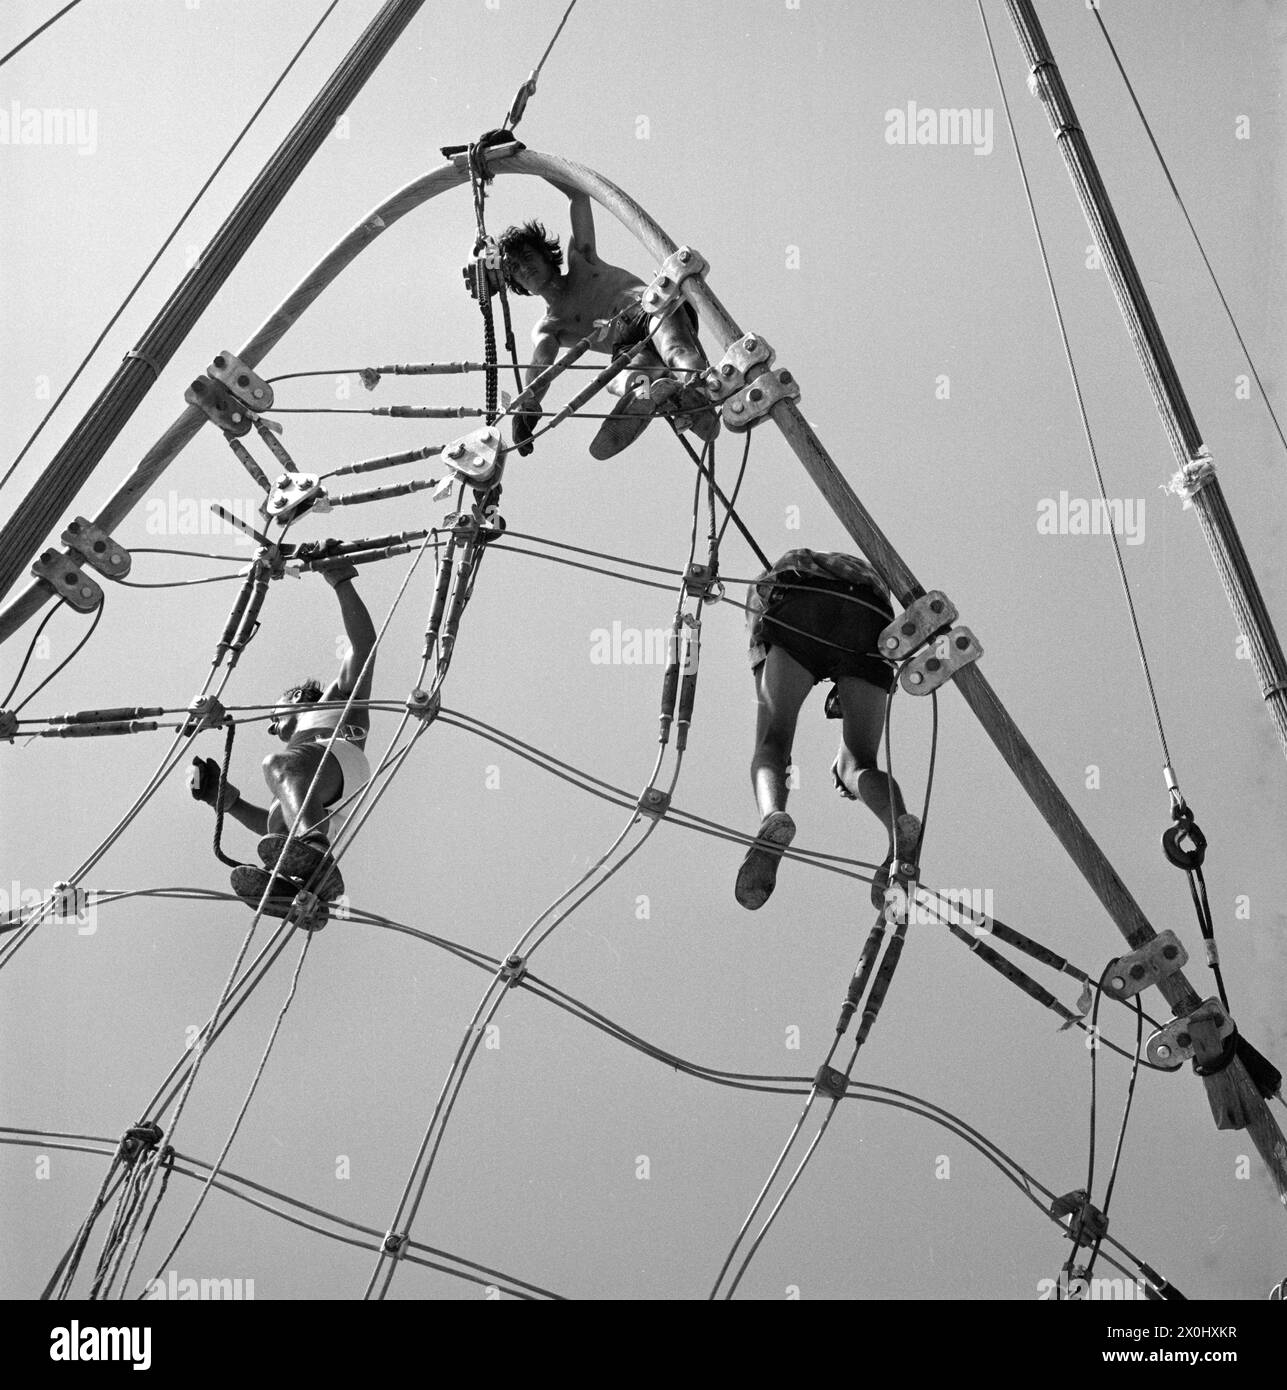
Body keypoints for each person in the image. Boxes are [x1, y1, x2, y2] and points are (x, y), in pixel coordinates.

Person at [735, 549, 921, 914]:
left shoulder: (760, 600)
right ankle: (897, 827)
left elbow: (763, 654)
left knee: (773, 740)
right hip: (870, 613)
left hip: (801, 604)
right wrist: (845, 760)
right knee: (859, 764)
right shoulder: (844, 567)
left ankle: (773, 817)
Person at [190, 559, 376, 911]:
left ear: (294, 699)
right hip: (330, 801)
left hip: (342, 760)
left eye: (275, 716)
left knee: (277, 764)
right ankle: (297, 888)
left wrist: (340, 580)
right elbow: (272, 826)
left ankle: (315, 849)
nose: (271, 726)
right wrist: (227, 802)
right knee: (279, 823)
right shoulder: (297, 771)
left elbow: (364, 646)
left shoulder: (334, 701)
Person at [497, 180, 718, 459]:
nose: (525, 268)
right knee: (620, 380)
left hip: (650, 308)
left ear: (545, 255)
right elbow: (541, 366)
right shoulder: (551, 326)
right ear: (516, 282)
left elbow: (578, 195)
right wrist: (526, 409)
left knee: (675, 350)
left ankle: (697, 391)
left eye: (528, 257)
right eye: (515, 268)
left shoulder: (582, 260)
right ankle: (663, 396)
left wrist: (527, 163)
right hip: (624, 346)